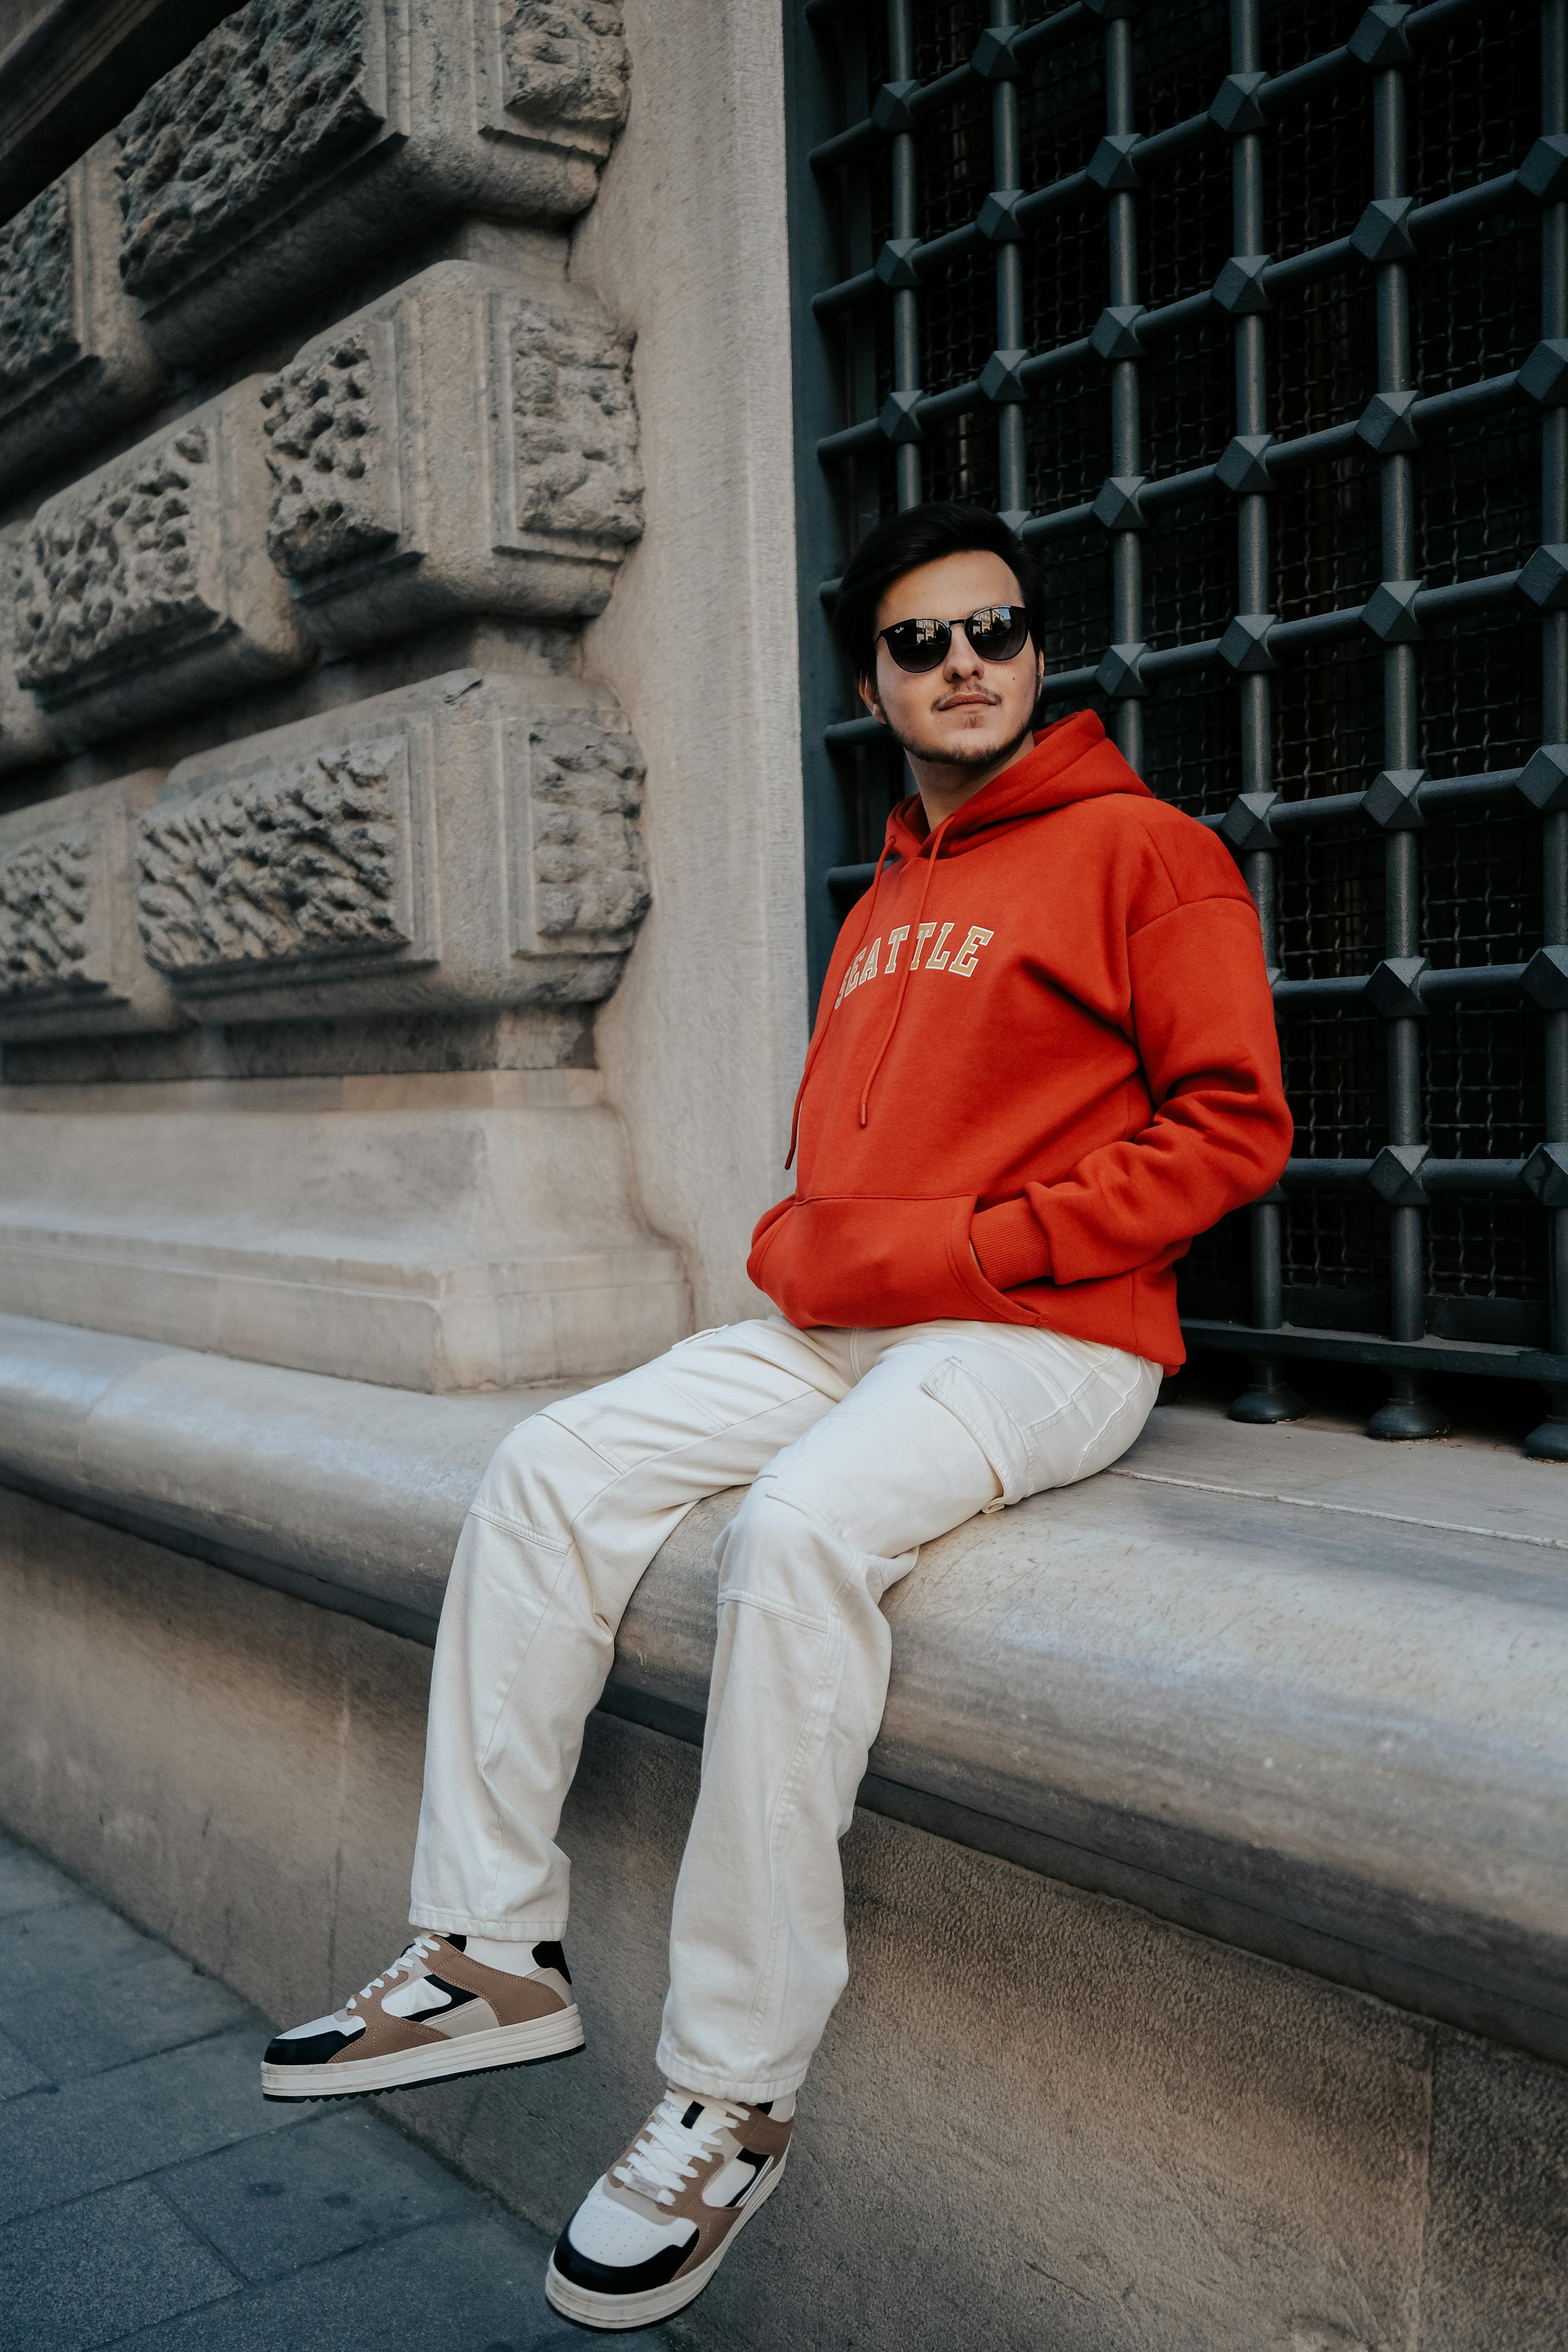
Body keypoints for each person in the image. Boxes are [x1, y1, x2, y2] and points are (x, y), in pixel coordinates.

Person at [258, 501, 1292, 2330]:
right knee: (550, 1465)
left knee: (801, 1531)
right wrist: (821, 1239)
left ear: (1037, 651)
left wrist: (988, 1241)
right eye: (921, 640)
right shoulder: (890, 888)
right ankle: (491, 1945)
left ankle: (732, 2091)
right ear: (874, 680)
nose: (964, 660)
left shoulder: (1149, 852)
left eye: (995, 629)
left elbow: (1231, 1129)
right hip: (843, 1323)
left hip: (1047, 1334)